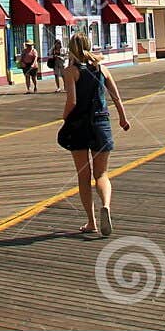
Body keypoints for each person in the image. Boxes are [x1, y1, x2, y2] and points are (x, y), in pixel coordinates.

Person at [57, 33, 131, 235]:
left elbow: (72, 101)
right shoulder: (102, 69)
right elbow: (115, 96)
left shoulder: (70, 72)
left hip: (78, 126)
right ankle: (105, 205)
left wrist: (64, 118)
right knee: (102, 174)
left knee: (84, 176)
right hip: (101, 123)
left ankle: (91, 222)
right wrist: (123, 118)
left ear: (71, 49)